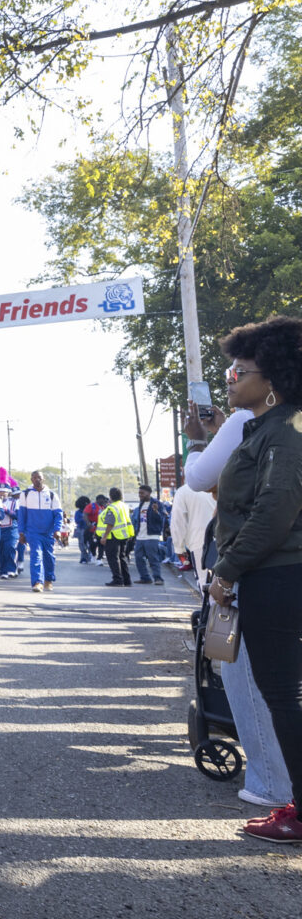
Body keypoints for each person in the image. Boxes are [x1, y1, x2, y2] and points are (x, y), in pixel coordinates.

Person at [203, 317, 302, 843]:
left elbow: (273, 512)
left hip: (277, 574)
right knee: (285, 694)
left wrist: (227, 569)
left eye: (239, 370)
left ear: (274, 375)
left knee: (284, 694)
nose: (230, 378)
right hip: (272, 572)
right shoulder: (266, 426)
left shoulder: (287, 429)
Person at [17, 470, 65, 592]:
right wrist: (21, 532)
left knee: (49, 557)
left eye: (39, 477)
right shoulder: (25, 494)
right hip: (32, 532)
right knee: (36, 555)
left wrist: (57, 530)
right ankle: (37, 582)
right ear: (31, 480)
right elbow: (21, 515)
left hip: (48, 532)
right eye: (34, 478)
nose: (37, 479)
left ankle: (48, 580)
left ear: (43, 479)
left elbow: (58, 514)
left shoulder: (52, 495)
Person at [170, 481, 216, 583]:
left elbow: (178, 522)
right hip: (227, 540)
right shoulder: (222, 485)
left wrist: (179, 548)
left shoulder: (184, 491)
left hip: (199, 542)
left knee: (205, 582)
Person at [130, 484, 168, 585]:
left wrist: (156, 511)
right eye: (139, 493)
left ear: (149, 493)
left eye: (142, 493)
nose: (140, 495)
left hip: (152, 536)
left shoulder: (157, 504)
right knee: (138, 558)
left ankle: (158, 578)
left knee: (153, 559)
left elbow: (161, 520)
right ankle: (145, 578)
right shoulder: (140, 505)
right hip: (140, 537)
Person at [95, 487, 135, 586]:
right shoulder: (123, 506)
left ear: (110, 496)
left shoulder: (112, 508)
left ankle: (117, 579)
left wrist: (104, 537)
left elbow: (110, 523)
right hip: (123, 535)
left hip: (113, 536)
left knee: (113, 558)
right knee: (122, 557)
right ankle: (126, 580)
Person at [73, 495, 93, 563]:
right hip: (81, 529)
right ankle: (84, 557)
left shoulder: (90, 512)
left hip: (89, 529)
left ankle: (89, 556)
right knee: (82, 544)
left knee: (90, 544)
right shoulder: (78, 512)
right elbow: (77, 520)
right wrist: (84, 518)